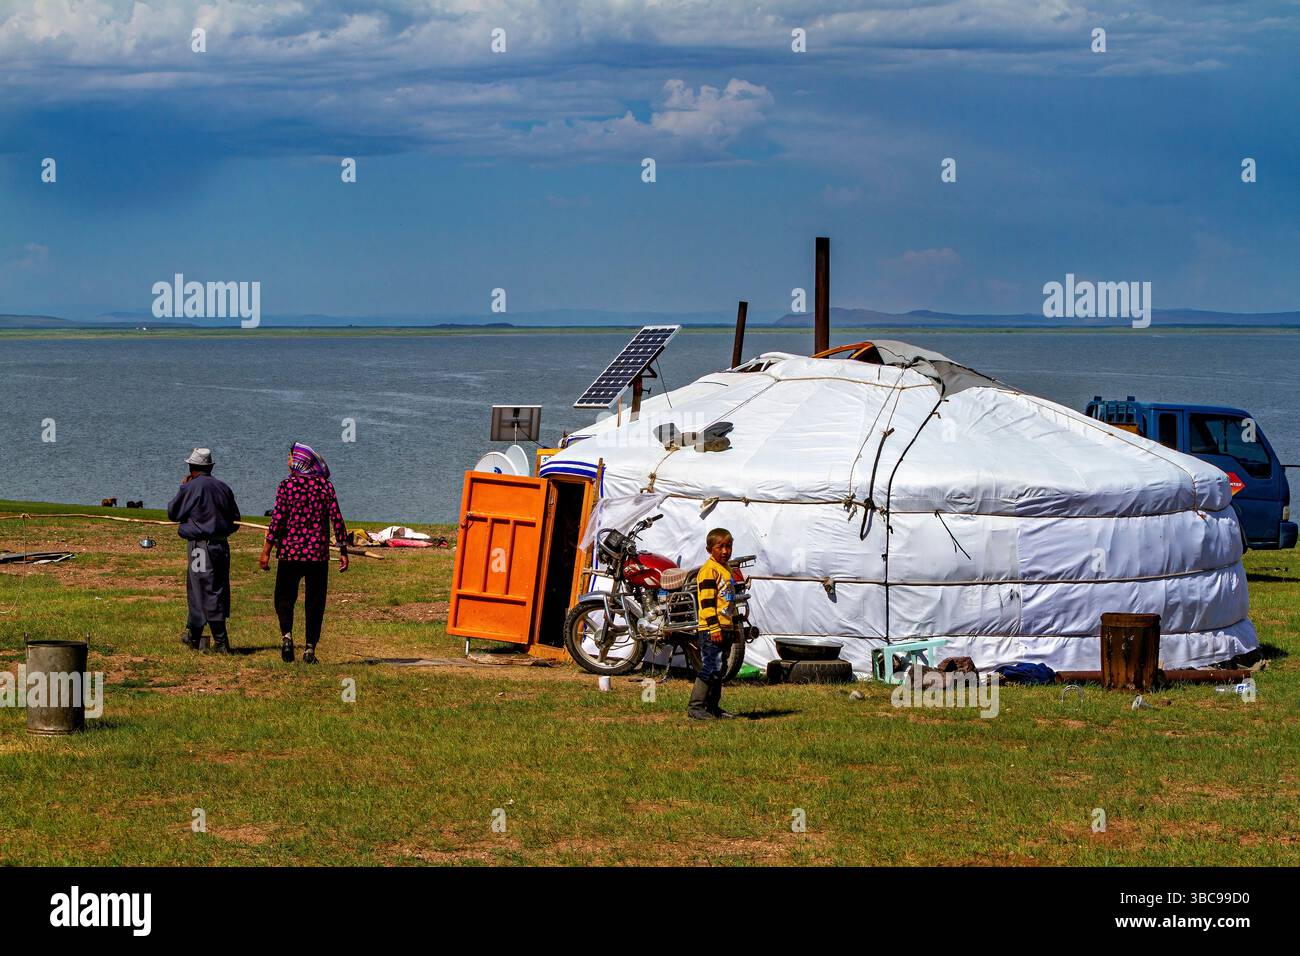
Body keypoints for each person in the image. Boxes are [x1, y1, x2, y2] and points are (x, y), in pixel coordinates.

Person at [259, 442, 348, 664]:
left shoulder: (287, 486)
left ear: (298, 460)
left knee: (284, 597)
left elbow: (277, 520)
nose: (288, 461)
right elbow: (337, 519)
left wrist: (266, 551)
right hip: (318, 555)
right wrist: (343, 549)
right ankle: (310, 649)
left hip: (290, 553)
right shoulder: (325, 487)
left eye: (289, 457)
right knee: (315, 602)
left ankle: (287, 637)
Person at [167, 448, 241, 653]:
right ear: (210, 467)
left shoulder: (190, 488)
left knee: (204, 589)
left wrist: (183, 489)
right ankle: (193, 635)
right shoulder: (223, 488)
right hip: (221, 547)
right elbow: (235, 521)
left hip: (200, 547)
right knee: (212, 587)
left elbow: (173, 513)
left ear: (192, 467)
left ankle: (221, 642)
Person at [688, 527, 738, 720]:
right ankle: (696, 707)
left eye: (729, 546)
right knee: (711, 667)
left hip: (725, 627)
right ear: (710, 549)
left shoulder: (725, 569)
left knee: (720, 669)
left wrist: (732, 626)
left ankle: (712, 707)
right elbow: (707, 603)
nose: (725, 551)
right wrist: (714, 627)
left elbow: (728, 601)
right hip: (711, 629)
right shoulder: (708, 570)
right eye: (720, 547)